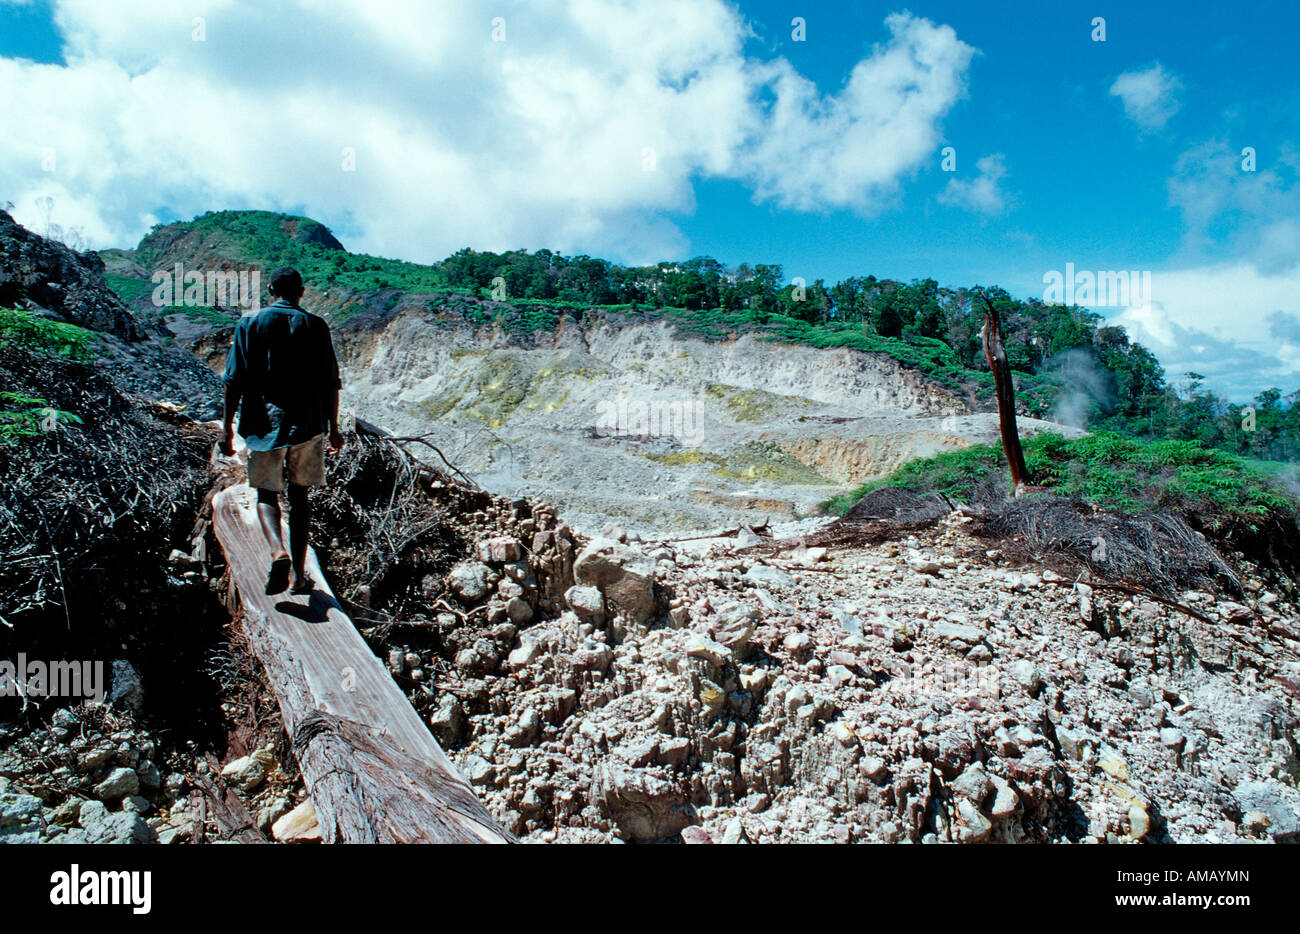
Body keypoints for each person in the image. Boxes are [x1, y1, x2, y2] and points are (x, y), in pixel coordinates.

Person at [219, 267, 344, 595]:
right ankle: (300, 576)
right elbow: (332, 383)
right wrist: (334, 429)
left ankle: (278, 552)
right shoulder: (316, 326)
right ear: (301, 291)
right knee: (301, 497)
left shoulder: (250, 323)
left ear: (272, 289)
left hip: (263, 425)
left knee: (266, 493)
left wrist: (226, 431)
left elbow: (233, 381)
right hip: (308, 425)